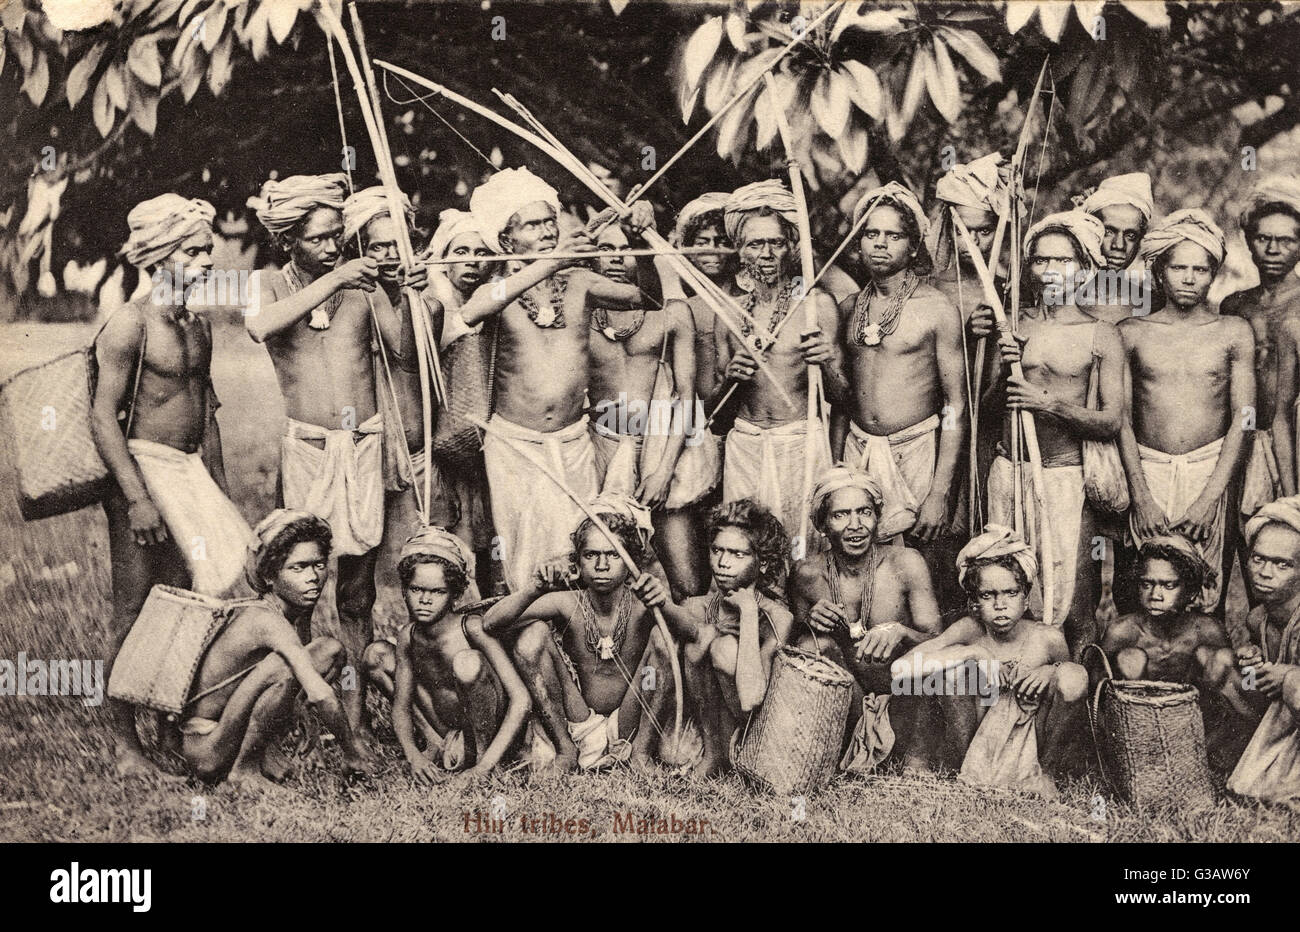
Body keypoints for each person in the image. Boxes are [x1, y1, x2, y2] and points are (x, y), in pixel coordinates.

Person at [246, 173, 420, 737]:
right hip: (309, 450)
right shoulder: (271, 284)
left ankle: (355, 715)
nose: (331, 248)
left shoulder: (362, 288)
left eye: (335, 238)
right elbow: (260, 327)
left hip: (363, 444)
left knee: (357, 590)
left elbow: (400, 347)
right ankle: (292, 709)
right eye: (318, 239)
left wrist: (406, 292)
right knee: (297, 587)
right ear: (289, 240)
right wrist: (341, 275)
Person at [94, 193, 254, 776]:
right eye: (193, 251)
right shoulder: (129, 324)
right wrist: (137, 498)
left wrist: (220, 495)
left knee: (191, 597)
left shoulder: (198, 323)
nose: (206, 261)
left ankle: (168, 721)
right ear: (159, 255)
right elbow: (101, 417)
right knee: (134, 607)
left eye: (207, 250)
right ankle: (125, 743)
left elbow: (206, 414)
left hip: (187, 471)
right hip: (143, 470)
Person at [458, 167, 660, 592]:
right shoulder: (500, 288)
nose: (548, 230)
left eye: (550, 220)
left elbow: (646, 298)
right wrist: (551, 262)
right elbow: (472, 312)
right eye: (533, 224)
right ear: (507, 240)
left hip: (573, 443)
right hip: (516, 449)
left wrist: (642, 242)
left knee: (580, 549)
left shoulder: (580, 282)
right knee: (524, 562)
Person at [991, 210, 1125, 653]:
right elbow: (987, 406)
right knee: (1005, 592)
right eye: (1041, 261)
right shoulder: (1014, 325)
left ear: (1085, 267)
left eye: (1064, 262)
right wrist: (1000, 358)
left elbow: (1111, 421)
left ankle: (1076, 702)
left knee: (1073, 599)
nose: (1050, 271)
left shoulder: (1100, 334)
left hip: (1066, 477)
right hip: (1011, 473)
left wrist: (1048, 404)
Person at [341, 186, 473, 620]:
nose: (390, 256)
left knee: (429, 569)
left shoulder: (427, 303)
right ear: (358, 251)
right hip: (363, 455)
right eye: (378, 246)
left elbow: (404, 352)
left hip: (418, 455)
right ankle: (358, 674)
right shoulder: (346, 298)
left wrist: (410, 298)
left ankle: (427, 668)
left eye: (399, 244)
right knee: (357, 584)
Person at [1119, 209, 1255, 618]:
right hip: (1147, 470)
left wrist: (1209, 499)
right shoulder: (1132, 331)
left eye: (1200, 268)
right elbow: (1121, 419)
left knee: (1204, 593)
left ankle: (1201, 677)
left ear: (1214, 273)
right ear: (1159, 271)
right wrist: (1140, 497)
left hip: (1209, 471)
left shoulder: (1232, 331)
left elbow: (1243, 420)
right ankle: (1133, 680)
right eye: (1179, 267)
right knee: (1139, 589)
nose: (1190, 278)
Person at [837, 181, 966, 608]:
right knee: (864, 565)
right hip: (860, 450)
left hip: (916, 451)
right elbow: (842, 399)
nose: (880, 244)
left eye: (894, 235)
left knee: (924, 564)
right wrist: (838, 464)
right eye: (871, 234)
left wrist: (940, 492)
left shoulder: (936, 308)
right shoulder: (850, 307)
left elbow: (955, 406)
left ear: (913, 247)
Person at [182, 510, 374, 791]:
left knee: (329, 650)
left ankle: (267, 751)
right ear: (270, 576)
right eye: (298, 568)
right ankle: (244, 771)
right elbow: (319, 692)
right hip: (207, 749)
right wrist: (352, 751)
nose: (313, 578)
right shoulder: (268, 621)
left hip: (227, 730)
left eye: (319, 565)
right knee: (284, 666)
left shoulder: (280, 613)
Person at [482, 495, 677, 771]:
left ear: (632, 560)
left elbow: (693, 632)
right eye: (591, 555)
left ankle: (641, 752)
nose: (601, 565)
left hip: (629, 720)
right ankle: (565, 751)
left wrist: (664, 603)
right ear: (578, 560)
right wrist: (533, 590)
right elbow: (490, 623)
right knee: (532, 636)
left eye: (613, 555)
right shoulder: (568, 602)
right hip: (580, 722)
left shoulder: (643, 605)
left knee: (664, 639)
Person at [896, 526, 1088, 797]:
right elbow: (901, 669)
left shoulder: (1047, 638)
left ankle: (1046, 774)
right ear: (974, 601)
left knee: (1074, 675)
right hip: (977, 740)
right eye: (988, 595)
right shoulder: (969, 630)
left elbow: (1068, 693)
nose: (1001, 605)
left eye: (1010, 593)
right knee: (952, 674)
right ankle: (968, 769)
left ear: (1025, 596)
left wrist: (1050, 670)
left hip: (1029, 742)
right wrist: (972, 653)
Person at [587, 219, 714, 599]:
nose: (614, 259)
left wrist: (662, 471)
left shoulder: (672, 315)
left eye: (627, 249)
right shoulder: (580, 316)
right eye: (605, 249)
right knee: (601, 564)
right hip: (598, 447)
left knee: (685, 581)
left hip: (661, 448)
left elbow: (688, 399)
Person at [787, 465, 943, 772]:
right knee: (809, 646)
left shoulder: (906, 563)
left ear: (877, 517)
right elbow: (790, 649)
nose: (855, 525)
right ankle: (838, 748)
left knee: (931, 665)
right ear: (822, 523)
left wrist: (900, 632)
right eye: (841, 515)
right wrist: (809, 622)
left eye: (865, 512)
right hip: (848, 702)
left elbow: (940, 643)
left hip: (904, 699)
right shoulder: (807, 574)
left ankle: (914, 757)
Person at [712, 180, 842, 542]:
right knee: (744, 545)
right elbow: (714, 417)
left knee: (805, 547)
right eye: (755, 244)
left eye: (776, 243)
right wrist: (729, 382)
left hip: (800, 442)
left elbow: (844, 398)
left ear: (790, 248)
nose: (766, 253)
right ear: (740, 250)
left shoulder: (816, 306)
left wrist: (827, 363)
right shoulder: (728, 313)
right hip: (746, 445)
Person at [361, 526, 529, 784]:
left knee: (467, 662)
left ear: (455, 594)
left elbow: (520, 700)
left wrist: (483, 766)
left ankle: (484, 763)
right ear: (404, 589)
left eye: (437, 592)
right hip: (445, 728)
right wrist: (412, 755)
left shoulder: (470, 627)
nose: (425, 600)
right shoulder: (409, 634)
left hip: (486, 731)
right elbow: (401, 705)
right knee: (376, 655)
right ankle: (435, 744)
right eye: (417, 589)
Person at [659, 499, 794, 778]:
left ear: (763, 563)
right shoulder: (696, 606)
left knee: (724, 647)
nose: (722, 563)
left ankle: (727, 753)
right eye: (717, 550)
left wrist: (747, 612)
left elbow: (751, 697)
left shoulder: (777, 617)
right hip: (706, 722)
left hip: (753, 725)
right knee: (671, 754)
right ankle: (714, 752)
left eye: (737, 554)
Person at [421, 209, 497, 577]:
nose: (472, 261)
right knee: (454, 534)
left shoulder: (495, 300)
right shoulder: (430, 302)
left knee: (494, 538)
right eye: (462, 251)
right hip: (445, 440)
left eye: (483, 254)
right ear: (444, 257)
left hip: (492, 439)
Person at [1227, 176, 1300, 512]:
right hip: (1240, 439)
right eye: (1263, 239)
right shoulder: (1235, 305)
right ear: (1248, 240)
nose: (1273, 250)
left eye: (1285, 241)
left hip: (1292, 440)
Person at [1226, 497, 1300, 803]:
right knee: (1229, 674)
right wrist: (1256, 659)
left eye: (1282, 564)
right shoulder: (1259, 618)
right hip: (1286, 721)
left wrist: (1288, 675)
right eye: (1258, 559)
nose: (1265, 572)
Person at [1078, 172, 1155, 324]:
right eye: (1108, 232)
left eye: (1130, 235)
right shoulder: (1062, 297)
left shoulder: (1152, 305)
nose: (1119, 245)